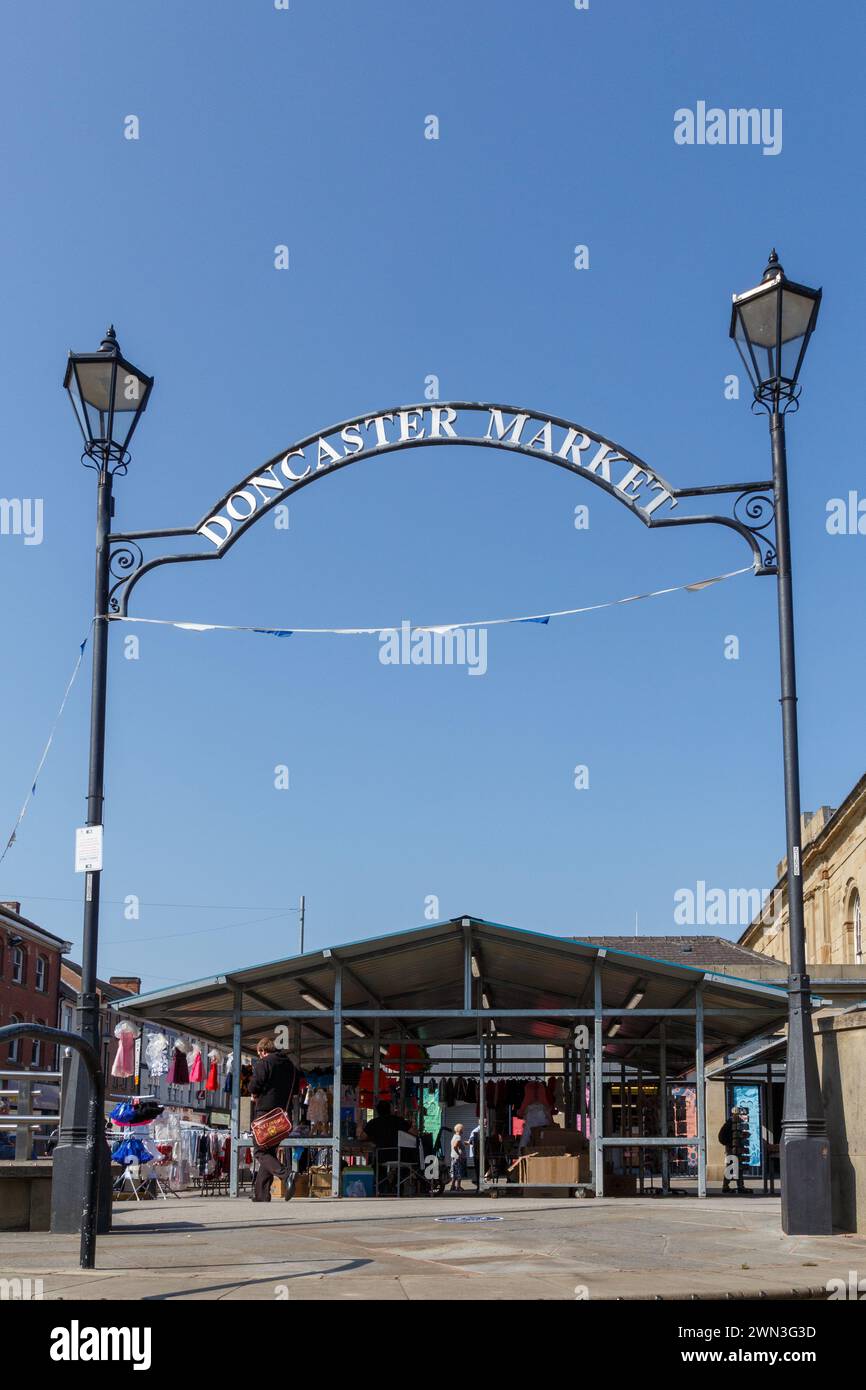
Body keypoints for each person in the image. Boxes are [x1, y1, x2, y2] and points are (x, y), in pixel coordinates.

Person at [249, 1036, 298, 1202]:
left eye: (259, 1053)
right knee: (269, 1151)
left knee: (260, 1151)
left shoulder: (264, 1063)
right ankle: (261, 1195)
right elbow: (297, 1090)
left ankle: (286, 1175)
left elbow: (254, 1085)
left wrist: (255, 1093)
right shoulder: (290, 1065)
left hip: (264, 1113)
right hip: (281, 1116)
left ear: (262, 1051)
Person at [361, 1100, 416, 1192]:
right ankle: (397, 1185)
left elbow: (362, 1137)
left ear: (377, 1111)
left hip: (382, 1155)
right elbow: (414, 1133)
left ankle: (383, 1187)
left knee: (376, 1166)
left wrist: (373, 1138)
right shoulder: (398, 1120)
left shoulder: (373, 1122)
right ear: (390, 1110)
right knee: (405, 1167)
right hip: (400, 1155)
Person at [449, 1122, 466, 1193]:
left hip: (454, 1157)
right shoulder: (458, 1137)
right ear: (460, 1130)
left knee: (454, 1172)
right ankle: (458, 1186)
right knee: (459, 1172)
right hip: (458, 1158)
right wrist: (459, 1154)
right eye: (462, 1129)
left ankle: (452, 1186)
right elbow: (455, 1146)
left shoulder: (454, 1136)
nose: (463, 1130)